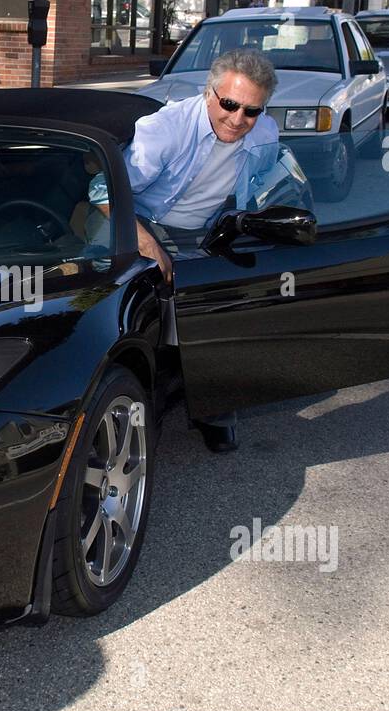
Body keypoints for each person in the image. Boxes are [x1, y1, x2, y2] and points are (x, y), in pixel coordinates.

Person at [89, 47, 281, 452]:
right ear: (210, 93)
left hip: (207, 231)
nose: (238, 119)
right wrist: (152, 248)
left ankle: (215, 409)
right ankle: (134, 403)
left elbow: (264, 183)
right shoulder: (167, 128)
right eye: (229, 104)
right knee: (133, 316)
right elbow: (102, 194)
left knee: (222, 310)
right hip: (137, 223)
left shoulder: (265, 133)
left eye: (251, 110)